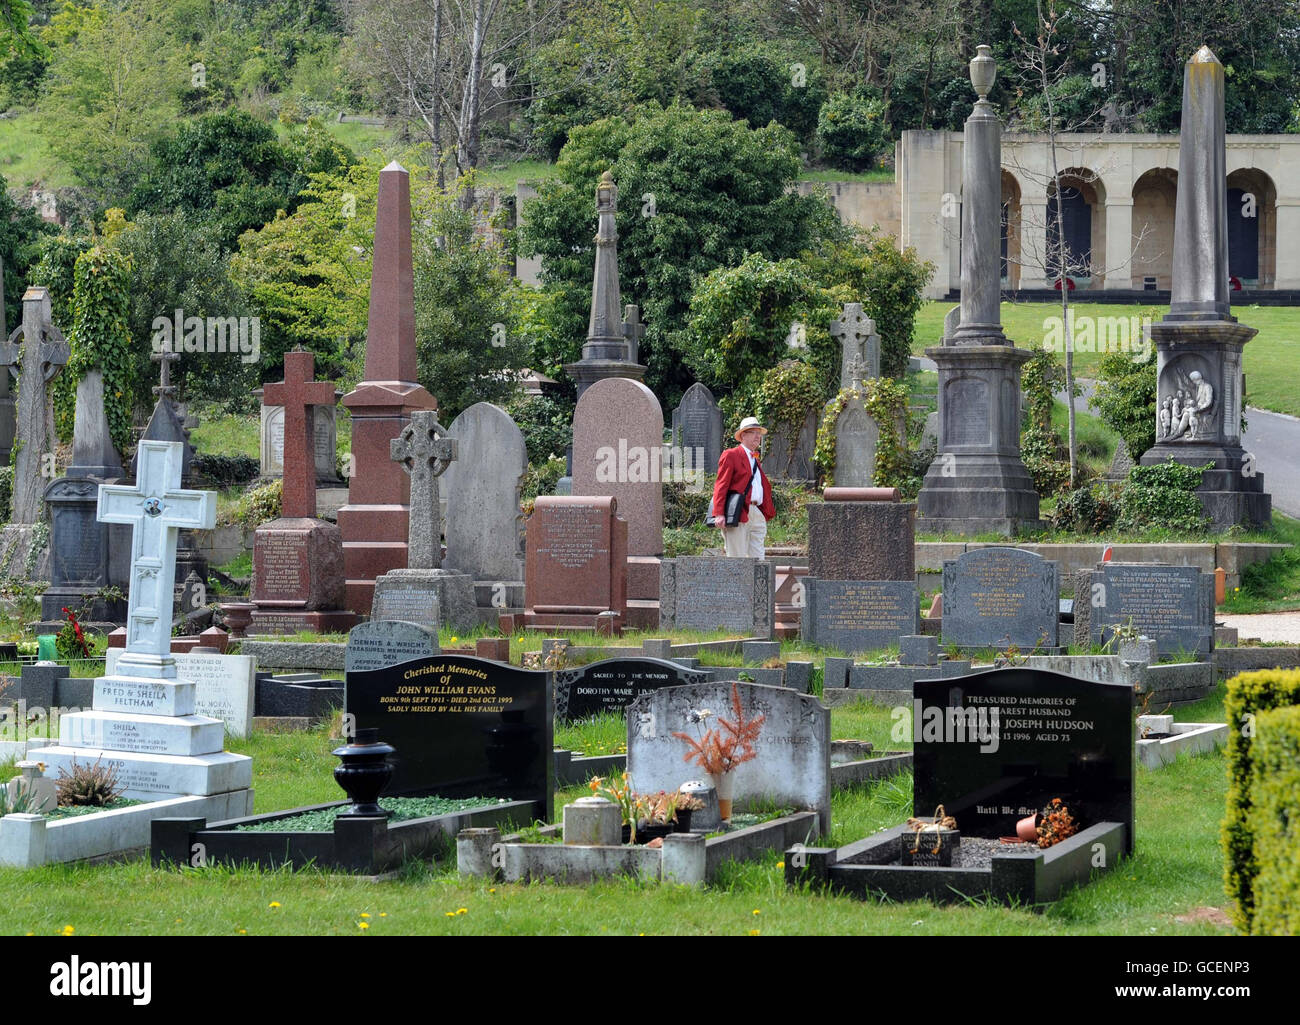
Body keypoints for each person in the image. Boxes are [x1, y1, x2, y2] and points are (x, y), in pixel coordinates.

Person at [712, 416, 776, 558]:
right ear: (743, 435)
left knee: (759, 560)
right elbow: (721, 484)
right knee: (737, 558)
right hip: (738, 512)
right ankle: (737, 581)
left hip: (756, 512)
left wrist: (763, 511)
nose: (758, 436)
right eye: (753, 432)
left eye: (759, 433)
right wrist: (719, 513)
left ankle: (757, 581)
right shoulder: (731, 454)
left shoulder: (755, 458)